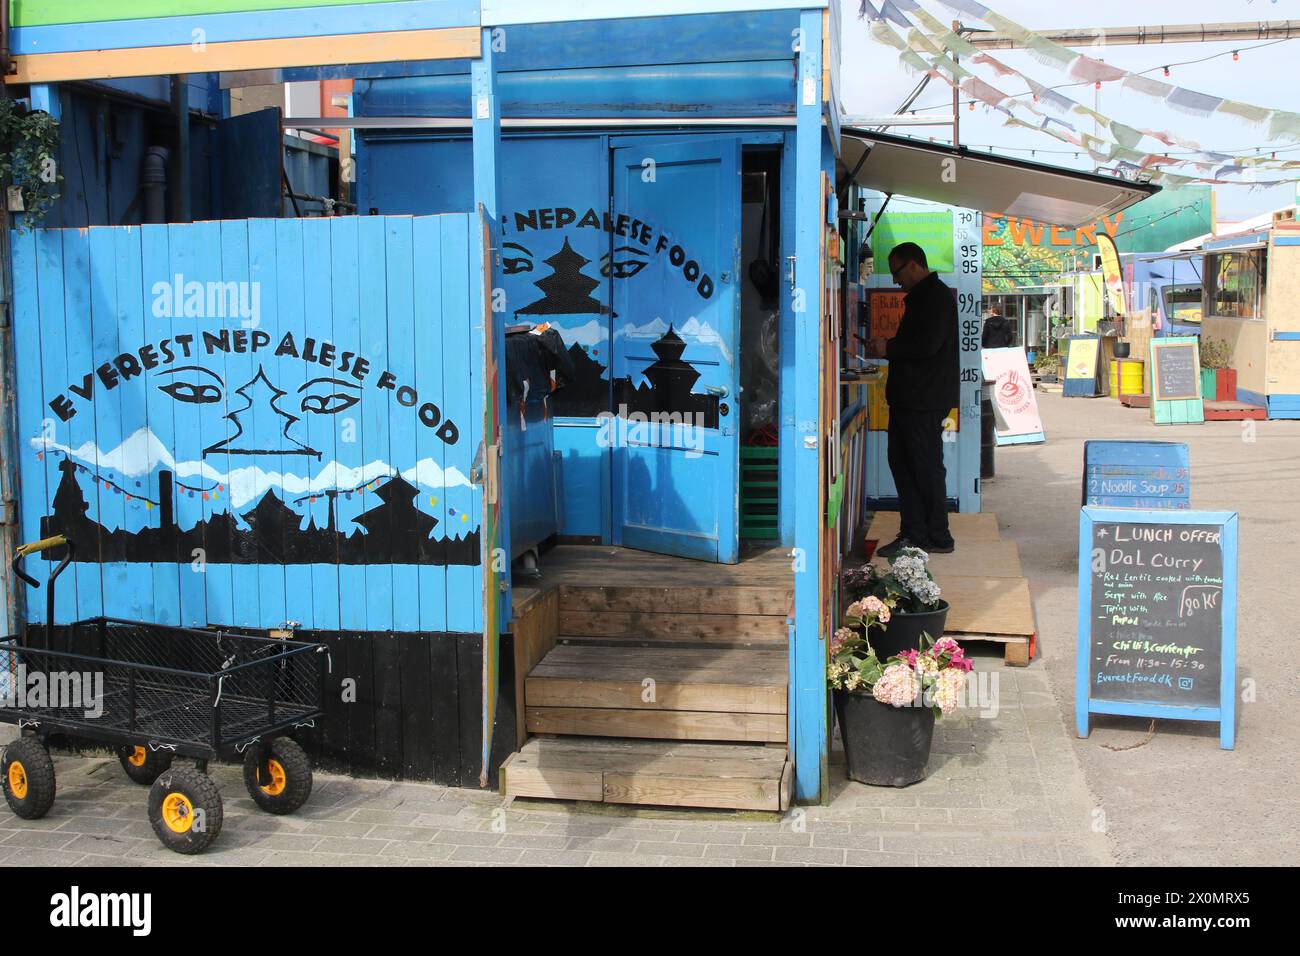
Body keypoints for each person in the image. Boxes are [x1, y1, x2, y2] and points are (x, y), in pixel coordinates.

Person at [878, 242, 957, 558]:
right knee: (905, 463)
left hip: (922, 399)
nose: (896, 280)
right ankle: (918, 531)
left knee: (923, 466)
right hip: (914, 398)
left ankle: (934, 534)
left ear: (913, 265)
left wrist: (889, 348)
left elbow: (927, 344)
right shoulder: (927, 296)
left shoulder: (933, 296)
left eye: (897, 272)